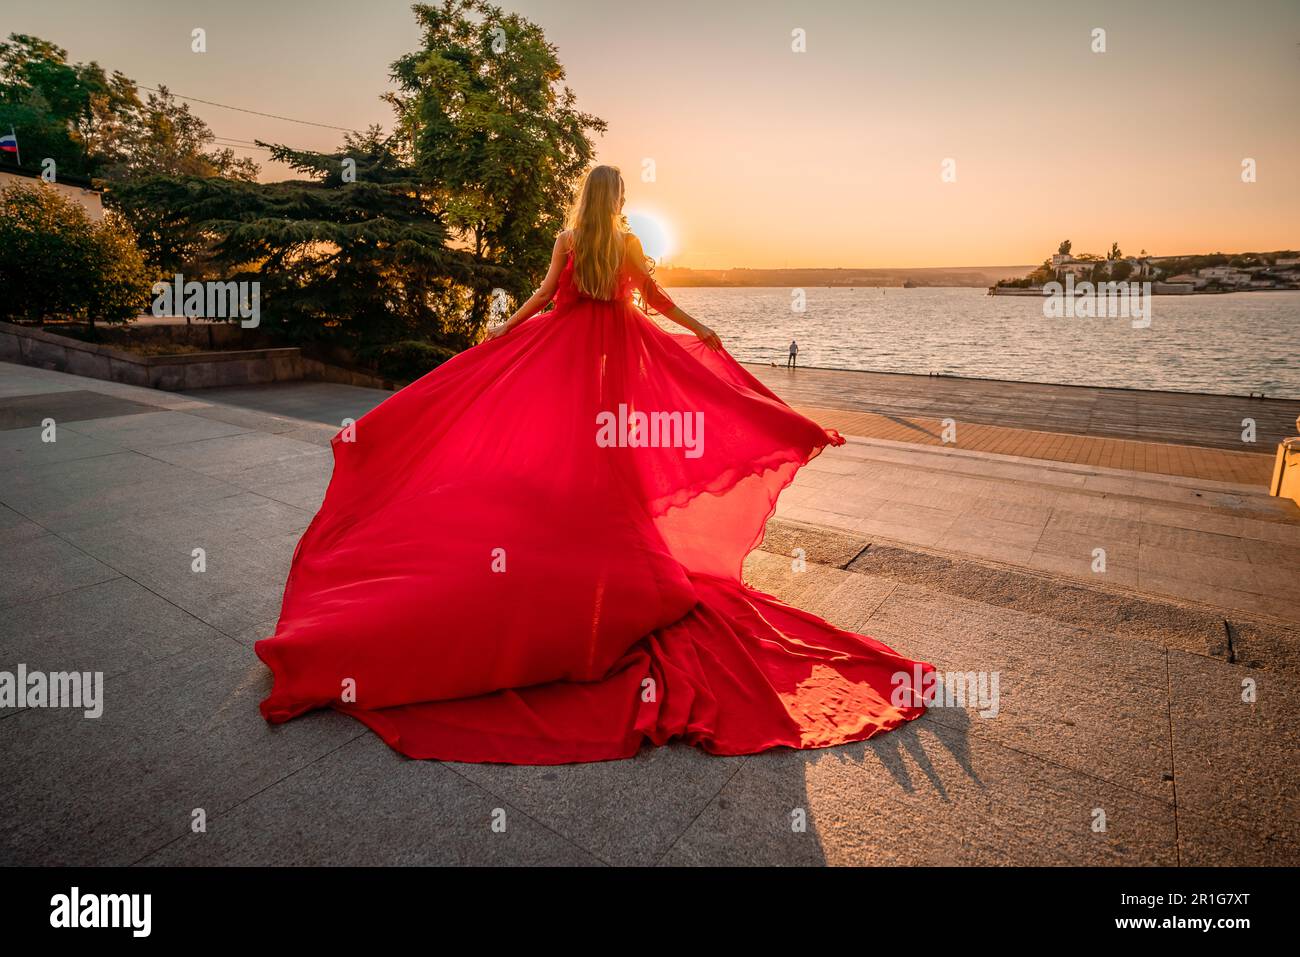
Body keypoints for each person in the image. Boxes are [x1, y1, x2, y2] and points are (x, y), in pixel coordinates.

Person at [255, 165, 931, 764]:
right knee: (613, 473)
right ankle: (607, 572)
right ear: (619, 201)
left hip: (566, 367)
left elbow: (547, 299)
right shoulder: (629, 247)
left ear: (584, 200)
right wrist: (700, 330)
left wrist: (503, 329)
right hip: (617, 375)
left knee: (566, 464)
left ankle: (575, 568)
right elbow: (656, 304)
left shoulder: (569, 244)